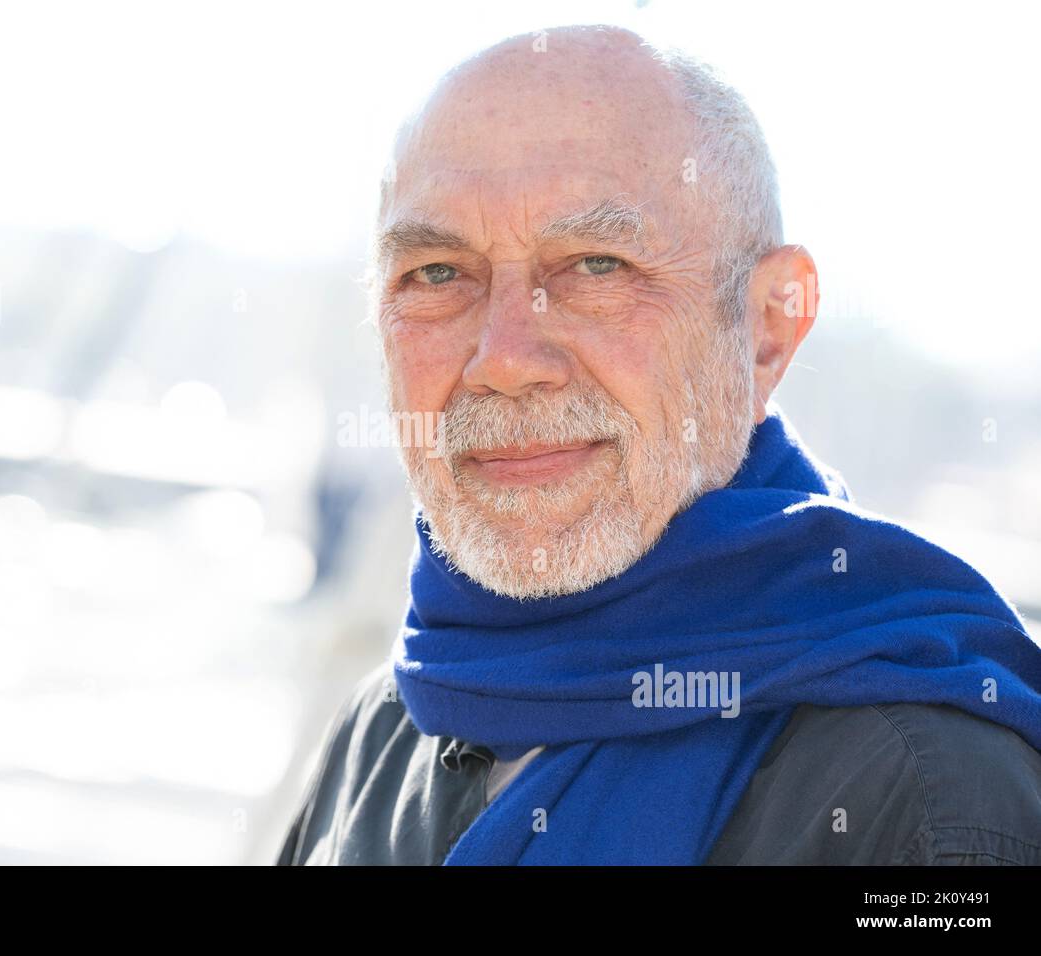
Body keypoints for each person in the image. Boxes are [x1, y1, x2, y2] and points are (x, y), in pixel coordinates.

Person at [276, 24, 1041, 865]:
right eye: (437, 275)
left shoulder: (937, 804)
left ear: (767, 330)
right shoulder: (379, 732)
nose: (501, 360)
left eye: (595, 266)